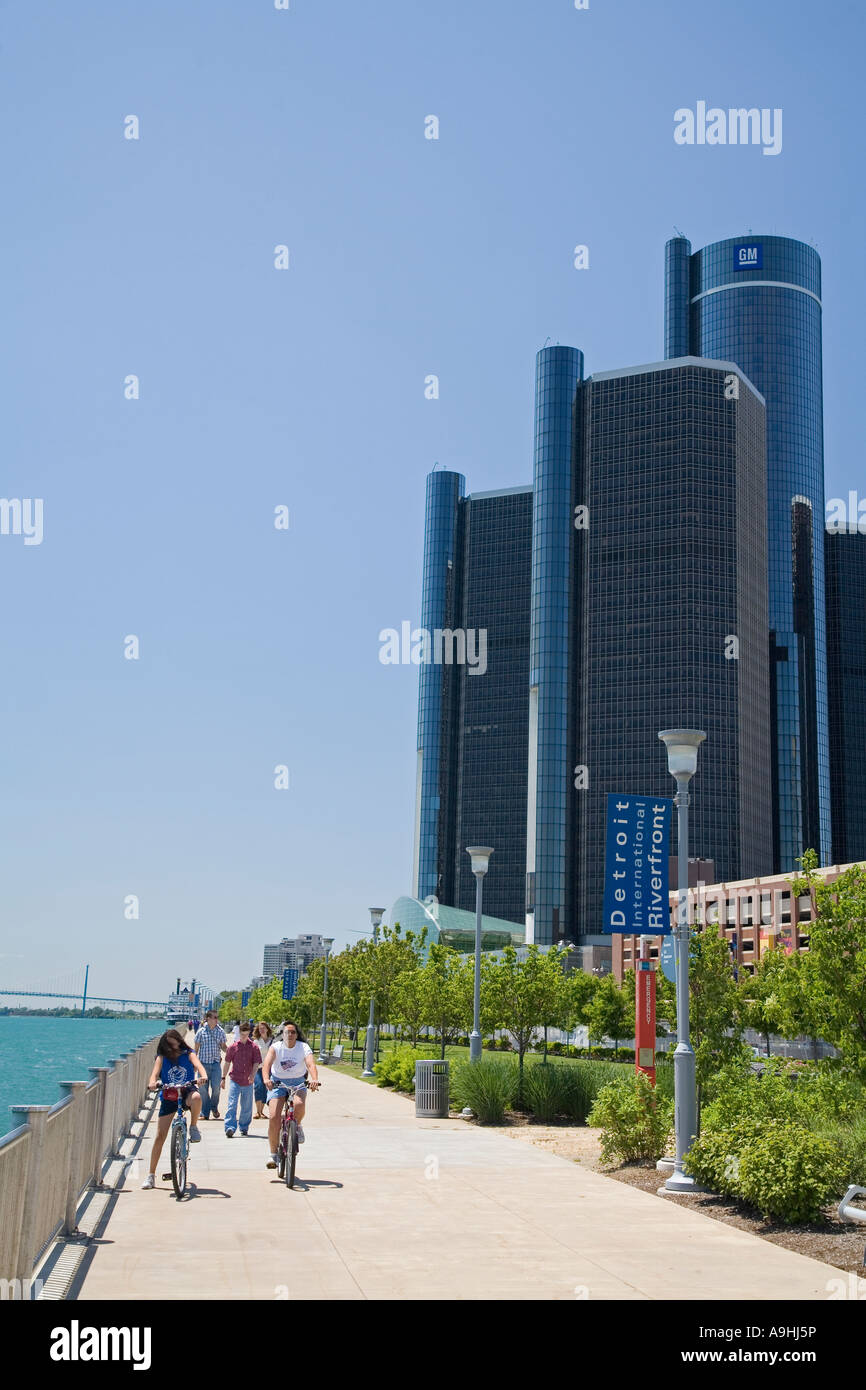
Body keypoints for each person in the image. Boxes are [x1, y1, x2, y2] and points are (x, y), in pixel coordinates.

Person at [142, 1029, 208, 1189]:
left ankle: (193, 1126)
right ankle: (151, 1175)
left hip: (186, 1091)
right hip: (169, 1095)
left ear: (180, 1041)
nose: (173, 1047)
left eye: (175, 1042)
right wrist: (152, 1083)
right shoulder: (162, 1057)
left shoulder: (188, 1053)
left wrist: (203, 1076)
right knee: (160, 1136)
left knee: (197, 1098)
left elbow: (198, 1065)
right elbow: (154, 1074)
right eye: (170, 1044)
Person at [261, 1020, 320, 1170]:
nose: (290, 1035)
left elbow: (310, 1064)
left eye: (293, 1032)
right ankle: (273, 1154)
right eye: (287, 1032)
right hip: (278, 1082)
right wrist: (267, 1079)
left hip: (298, 1081)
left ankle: (297, 1125)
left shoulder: (303, 1047)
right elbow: (267, 1064)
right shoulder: (276, 1047)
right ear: (282, 1034)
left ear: (297, 1034)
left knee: (299, 1105)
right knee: (274, 1116)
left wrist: (314, 1079)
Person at [220, 1022, 259, 1136]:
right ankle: (230, 1127)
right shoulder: (232, 1047)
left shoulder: (254, 1047)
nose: (244, 1036)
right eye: (242, 1034)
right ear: (239, 1033)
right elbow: (227, 1063)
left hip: (248, 1080)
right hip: (235, 1079)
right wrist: (223, 1078)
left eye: (246, 1034)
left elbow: (256, 1063)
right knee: (232, 1104)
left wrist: (252, 1074)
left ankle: (244, 1126)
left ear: (249, 1033)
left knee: (246, 1106)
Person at [194, 1011, 227, 1121]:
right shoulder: (201, 1032)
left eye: (217, 1017)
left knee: (216, 1088)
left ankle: (214, 1107)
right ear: (208, 1018)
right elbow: (196, 1049)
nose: (216, 1019)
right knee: (203, 1089)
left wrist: (232, 1053)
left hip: (215, 1064)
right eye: (214, 1017)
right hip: (203, 1064)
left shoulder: (220, 1031)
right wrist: (194, 1064)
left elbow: (223, 1046)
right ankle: (204, 1112)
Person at [252, 1021, 274, 1119]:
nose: (262, 1030)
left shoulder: (272, 1041)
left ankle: (262, 1111)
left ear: (267, 1029)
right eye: (260, 1028)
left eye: (263, 1028)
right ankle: (257, 1111)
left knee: (266, 1088)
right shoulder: (256, 1041)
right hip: (258, 1068)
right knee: (258, 1087)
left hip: (269, 1068)